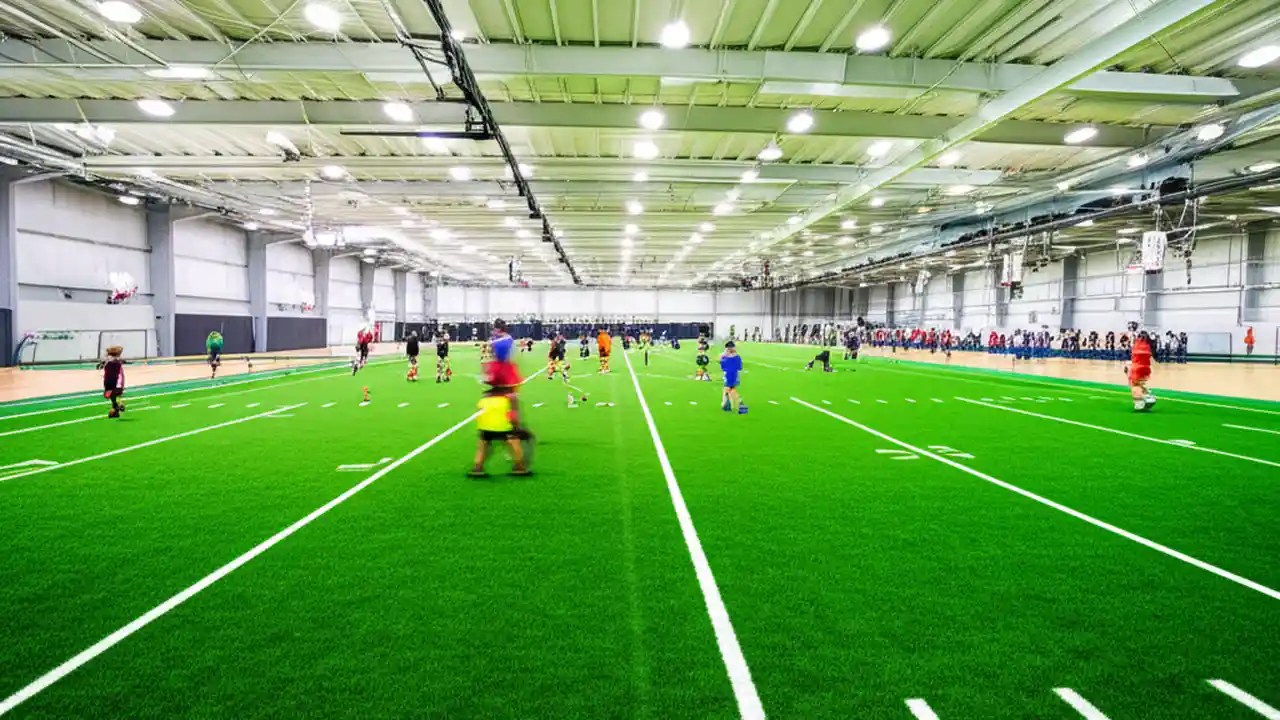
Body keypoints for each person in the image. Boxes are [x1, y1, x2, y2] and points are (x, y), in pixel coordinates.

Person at [470, 385, 532, 478]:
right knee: (514, 441)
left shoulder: (485, 398)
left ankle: (477, 467)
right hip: (504, 426)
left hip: (485, 426)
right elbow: (513, 415)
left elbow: (479, 414)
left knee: (483, 444)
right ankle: (520, 467)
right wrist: (516, 426)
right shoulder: (509, 398)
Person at [486, 319, 521, 389]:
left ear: (498, 329)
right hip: (505, 367)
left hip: (502, 368)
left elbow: (495, 355)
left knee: (504, 391)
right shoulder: (506, 339)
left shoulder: (498, 341)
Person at [1127, 330, 1157, 412]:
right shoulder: (1148, 346)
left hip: (1137, 368)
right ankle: (1147, 394)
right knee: (1139, 383)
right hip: (1146, 368)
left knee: (1134, 385)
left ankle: (1141, 401)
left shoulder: (1137, 344)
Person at [100, 345, 127, 419]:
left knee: (111, 394)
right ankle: (117, 407)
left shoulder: (110, 360)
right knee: (113, 394)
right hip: (113, 380)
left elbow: (103, 363)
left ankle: (118, 406)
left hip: (113, 380)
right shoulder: (117, 361)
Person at [720, 340, 745, 413]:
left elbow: (723, 367)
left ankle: (736, 403)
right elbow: (740, 367)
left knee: (729, 389)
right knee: (730, 389)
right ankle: (726, 404)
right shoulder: (737, 357)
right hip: (736, 375)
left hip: (729, 375)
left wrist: (723, 356)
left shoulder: (725, 358)